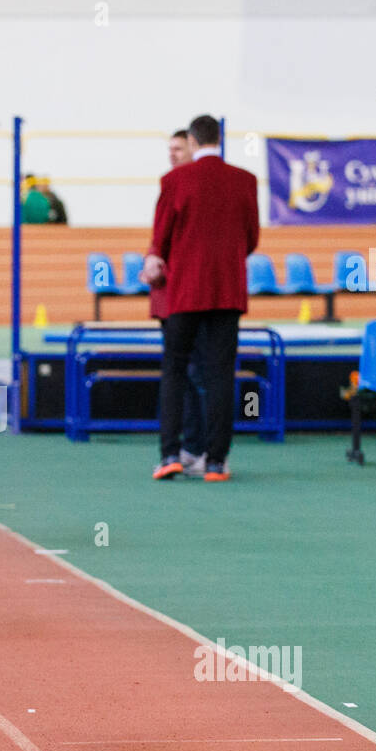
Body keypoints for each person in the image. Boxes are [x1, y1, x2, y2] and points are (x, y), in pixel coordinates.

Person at [144, 114, 258, 483]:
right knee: (221, 373)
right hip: (227, 290)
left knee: (175, 370)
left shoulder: (174, 181)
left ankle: (169, 455)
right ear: (220, 138)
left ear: (192, 141)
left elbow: (161, 238)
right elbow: (252, 238)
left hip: (185, 292)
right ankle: (216, 462)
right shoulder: (246, 181)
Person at [143, 129, 209, 476]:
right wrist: (153, 257)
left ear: (193, 148)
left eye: (178, 148)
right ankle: (186, 448)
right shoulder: (171, 184)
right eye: (169, 149)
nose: (172, 154)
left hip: (194, 297)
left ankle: (199, 448)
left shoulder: (197, 187)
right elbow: (161, 236)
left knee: (196, 374)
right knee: (182, 374)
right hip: (173, 298)